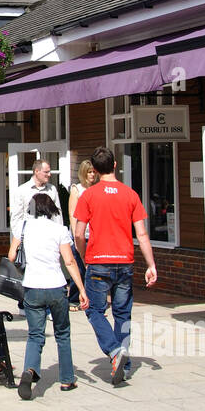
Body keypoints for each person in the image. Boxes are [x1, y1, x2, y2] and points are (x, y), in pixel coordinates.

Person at [71, 147, 157, 385]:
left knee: (94, 310)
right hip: (125, 262)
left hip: (98, 261)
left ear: (95, 170)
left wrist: (84, 255)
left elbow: (79, 233)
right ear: (115, 165)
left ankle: (113, 350)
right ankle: (125, 363)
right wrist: (151, 265)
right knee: (122, 313)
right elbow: (142, 234)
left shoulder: (88, 195)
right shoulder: (130, 195)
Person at [9, 193, 89, 400]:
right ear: (51, 208)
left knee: (35, 334)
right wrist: (81, 289)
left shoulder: (23, 228)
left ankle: (30, 370)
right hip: (56, 286)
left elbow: (11, 256)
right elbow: (69, 262)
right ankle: (66, 379)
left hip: (32, 287)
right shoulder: (59, 230)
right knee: (62, 333)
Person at [65, 159, 97, 311]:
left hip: (94, 233)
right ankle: (74, 298)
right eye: (90, 172)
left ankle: (92, 300)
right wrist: (75, 233)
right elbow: (72, 213)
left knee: (92, 268)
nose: (92, 175)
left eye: (94, 172)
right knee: (78, 267)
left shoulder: (97, 189)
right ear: (84, 173)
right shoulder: (76, 189)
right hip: (80, 234)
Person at [11, 159, 59, 239]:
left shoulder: (52, 189)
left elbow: (57, 216)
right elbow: (16, 219)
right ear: (36, 171)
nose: (49, 174)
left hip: (50, 238)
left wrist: (58, 237)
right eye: (46, 172)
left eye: (49, 172)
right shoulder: (22, 190)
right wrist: (21, 239)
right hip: (29, 238)